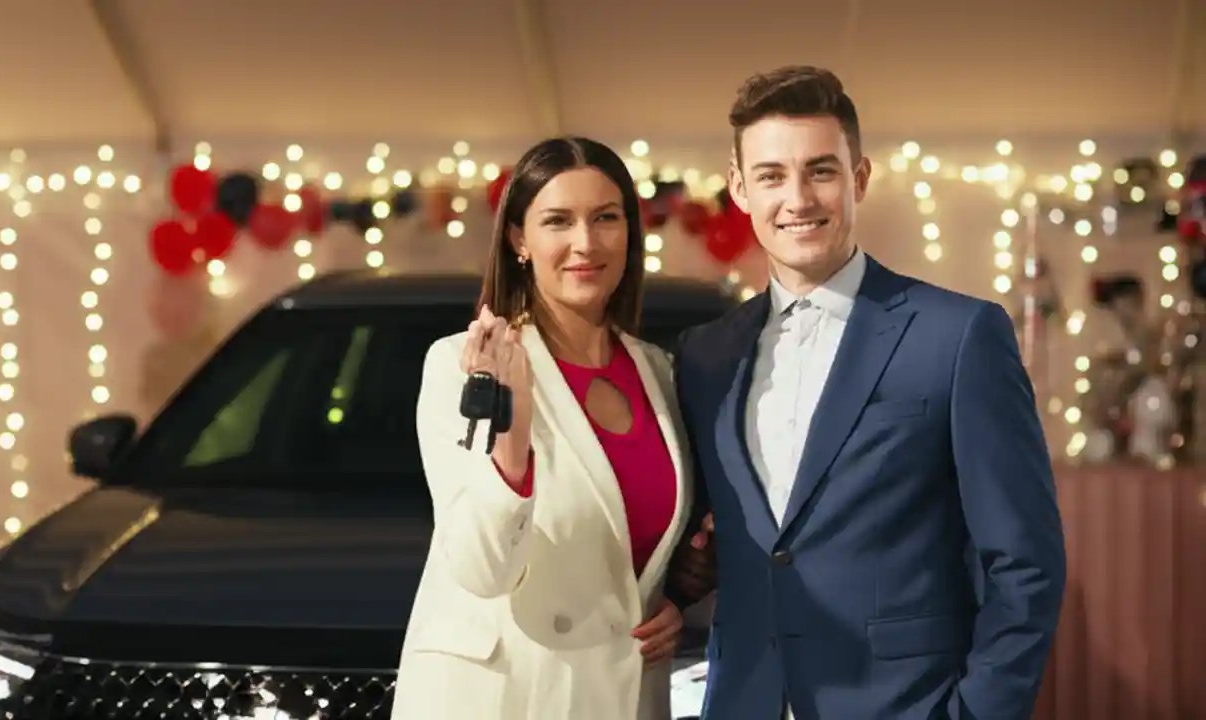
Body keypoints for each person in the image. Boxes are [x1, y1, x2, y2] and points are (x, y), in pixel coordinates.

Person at [668, 66, 1067, 719]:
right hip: (744, 700)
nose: (797, 198)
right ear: (739, 188)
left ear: (858, 178)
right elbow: (716, 536)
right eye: (771, 175)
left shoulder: (959, 336)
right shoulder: (707, 355)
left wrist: (979, 711)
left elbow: (1025, 561)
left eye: (820, 170)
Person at [393, 137, 694, 720]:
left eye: (606, 218)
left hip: (622, 698)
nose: (586, 243)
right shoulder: (462, 365)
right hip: (508, 699)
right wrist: (512, 431)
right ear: (518, 240)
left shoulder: (659, 371)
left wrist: (675, 602)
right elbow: (482, 568)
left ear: (630, 233)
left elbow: (640, 557)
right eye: (558, 220)